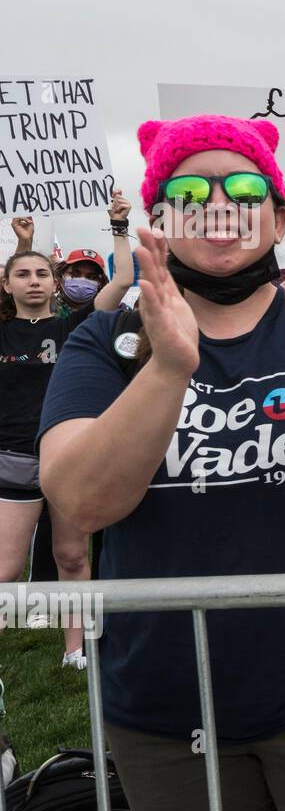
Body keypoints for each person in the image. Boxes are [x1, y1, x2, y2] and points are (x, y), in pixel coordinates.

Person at [37, 114, 285, 811]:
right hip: (163, 708)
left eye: (245, 186)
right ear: (159, 217)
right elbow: (82, 498)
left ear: (278, 215)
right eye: (190, 189)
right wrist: (167, 368)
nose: (220, 201)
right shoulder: (108, 339)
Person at [1, 212, 131, 668]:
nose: (33, 282)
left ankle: (76, 648)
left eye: (42, 274)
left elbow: (122, 283)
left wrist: (119, 226)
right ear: (7, 284)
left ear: (55, 283)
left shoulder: (71, 326)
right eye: (22, 275)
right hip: (11, 462)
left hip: (66, 458)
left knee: (72, 555)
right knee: (5, 570)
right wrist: (25, 243)